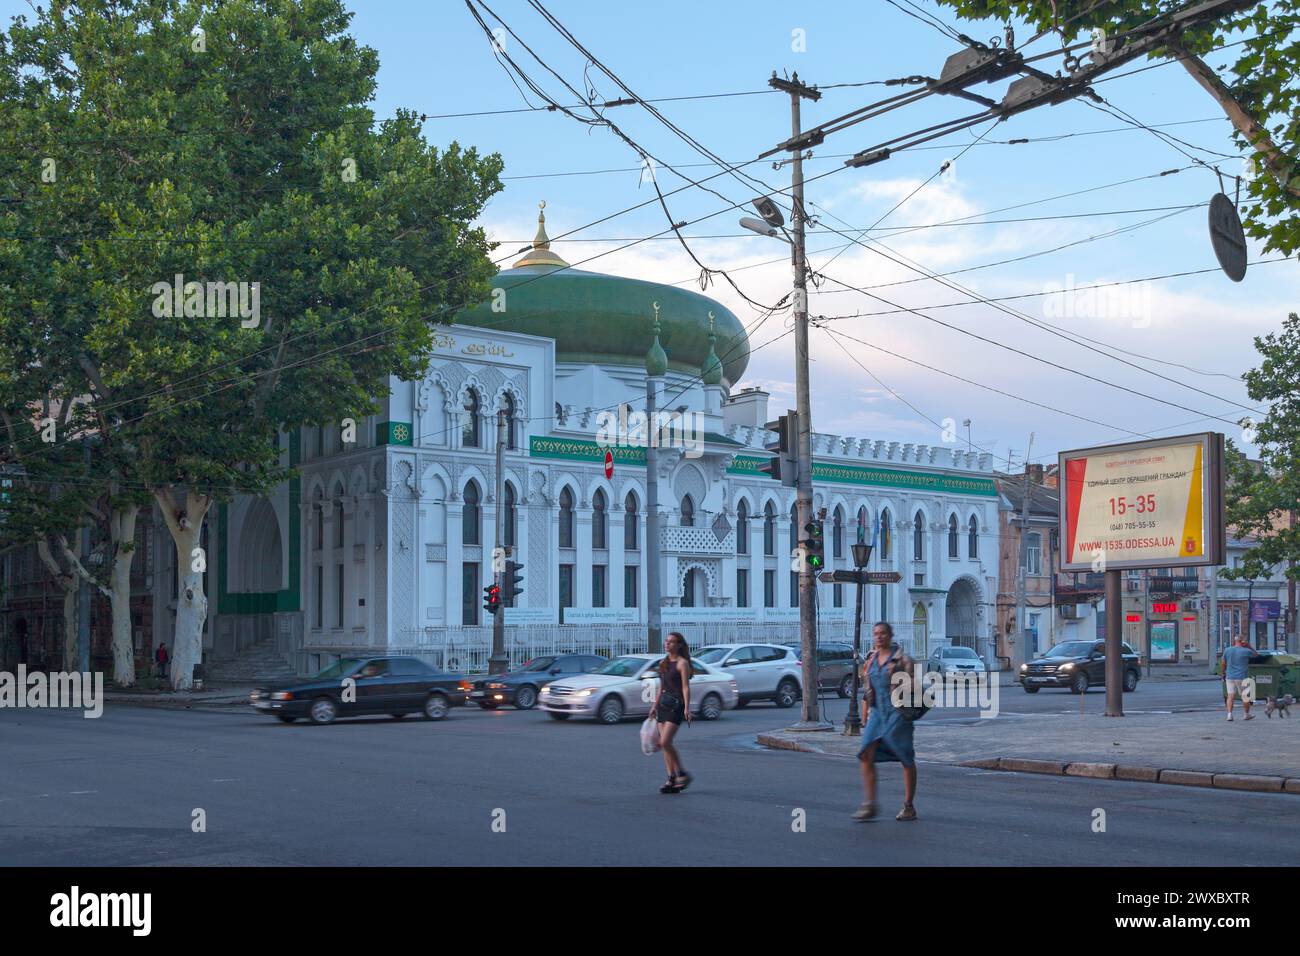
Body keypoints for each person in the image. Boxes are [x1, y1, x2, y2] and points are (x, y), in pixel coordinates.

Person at [853, 622, 919, 822]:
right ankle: (870, 804)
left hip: (897, 714)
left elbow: (915, 688)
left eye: (883, 633)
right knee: (865, 754)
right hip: (877, 713)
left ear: (890, 635)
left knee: (905, 757)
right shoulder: (871, 659)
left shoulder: (903, 660)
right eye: (876, 634)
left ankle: (908, 806)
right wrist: (865, 711)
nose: (879, 637)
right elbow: (868, 689)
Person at [651, 632, 693, 794]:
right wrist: (654, 706)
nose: (667, 644)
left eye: (671, 642)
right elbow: (661, 688)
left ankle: (682, 773)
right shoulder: (664, 663)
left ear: (679, 645)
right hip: (663, 705)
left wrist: (687, 708)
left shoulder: (683, 664)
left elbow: (685, 687)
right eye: (666, 641)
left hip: (676, 706)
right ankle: (671, 778)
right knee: (665, 745)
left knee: (665, 742)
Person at [1222, 634, 1257, 721]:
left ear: (1234, 641)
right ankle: (1246, 714)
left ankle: (1229, 715)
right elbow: (1256, 655)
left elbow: (1223, 663)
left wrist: (1223, 673)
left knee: (1230, 696)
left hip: (1230, 676)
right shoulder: (1246, 651)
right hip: (1242, 677)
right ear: (1242, 641)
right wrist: (1249, 645)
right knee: (1245, 697)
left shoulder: (1227, 650)